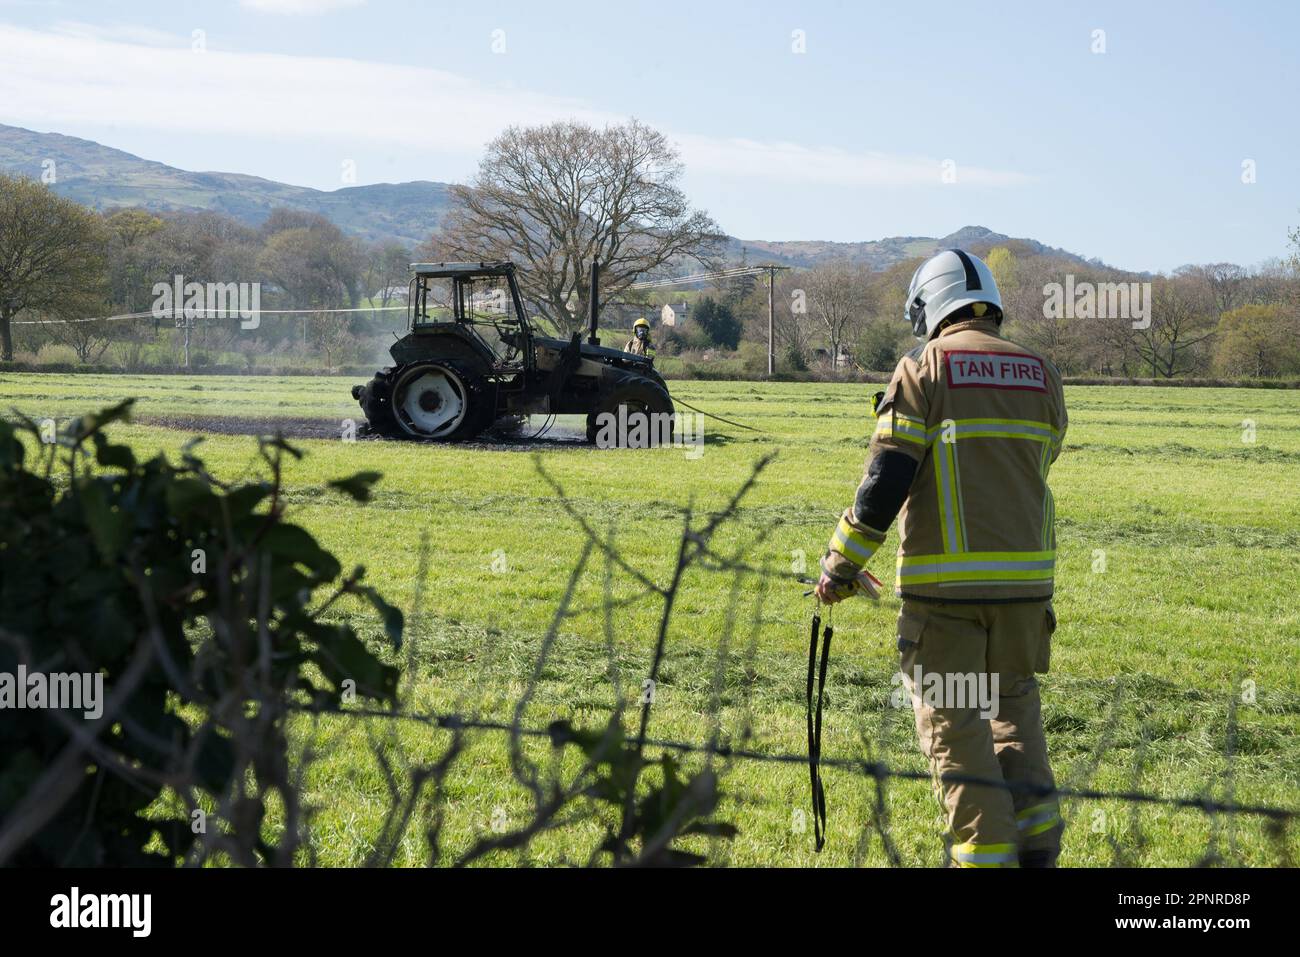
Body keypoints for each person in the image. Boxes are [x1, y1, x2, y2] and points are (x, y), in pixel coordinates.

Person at [815, 249, 1068, 868]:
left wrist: (839, 565)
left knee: (957, 737)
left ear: (929, 306)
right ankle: (1039, 851)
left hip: (945, 602)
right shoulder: (1042, 373)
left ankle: (985, 859)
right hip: (1026, 600)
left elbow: (885, 483)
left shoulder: (924, 367)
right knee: (1014, 724)